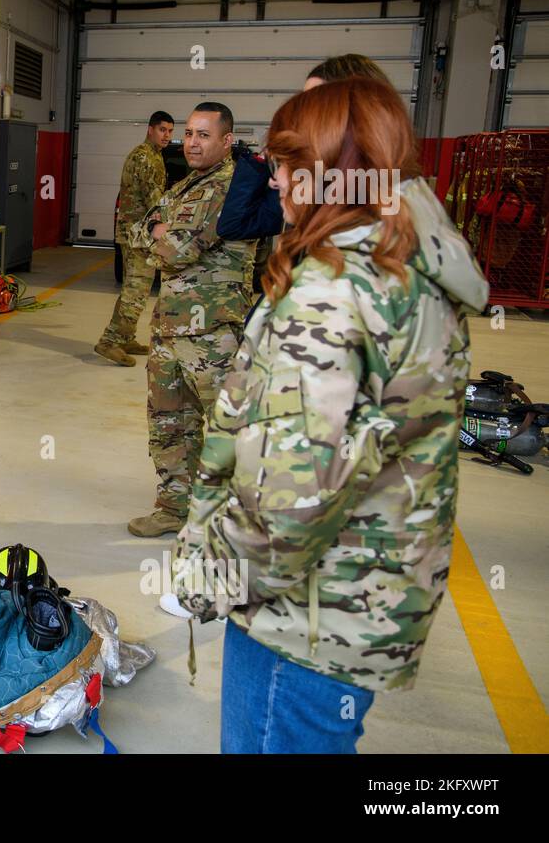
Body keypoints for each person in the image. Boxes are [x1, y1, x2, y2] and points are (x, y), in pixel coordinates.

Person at [172, 77, 489, 753]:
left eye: (287, 164)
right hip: (373, 596)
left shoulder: (330, 290)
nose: (276, 182)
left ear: (330, 174)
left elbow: (290, 504)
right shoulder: (410, 263)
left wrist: (207, 577)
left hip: (305, 617)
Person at [125, 103, 256, 538]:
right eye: (189, 133)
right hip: (168, 328)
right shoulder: (185, 185)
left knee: (227, 433)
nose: (192, 142)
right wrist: (160, 231)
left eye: (204, 135)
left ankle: (230, 523)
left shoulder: (232, 187)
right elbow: (137, 231)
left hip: (212, 335)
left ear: (226, 141)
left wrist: (161, 232)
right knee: (169, 424)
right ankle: (173, 507)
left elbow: (177, 250)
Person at [217, 54, 394, 243]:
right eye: (305, 103)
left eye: (317, 105)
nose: (303, 114)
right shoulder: (310, 182)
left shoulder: (381, 206)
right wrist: (264, 160)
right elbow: (234, 226)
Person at [95, 111, 173, 366]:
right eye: (162, 130)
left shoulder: (152, 155)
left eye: (170, 131)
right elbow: (154, 201)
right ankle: (109, 341)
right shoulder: (146, 158)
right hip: (138, 235)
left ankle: (125, 337)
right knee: (136, 291)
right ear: (150, 129)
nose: (167, 136)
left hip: (135, 233)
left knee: (132, 288)